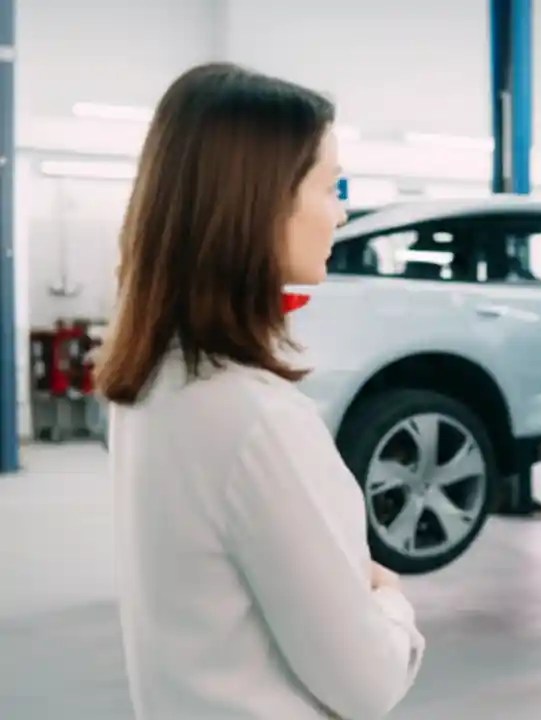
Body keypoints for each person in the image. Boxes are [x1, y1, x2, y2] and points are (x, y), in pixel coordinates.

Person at [98, 63, 425, 720]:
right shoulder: (257, 420)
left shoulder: (156, 380)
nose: (342, 211)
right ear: (263, 202)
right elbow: (370, 683)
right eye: (331, 186)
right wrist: (388, 595)